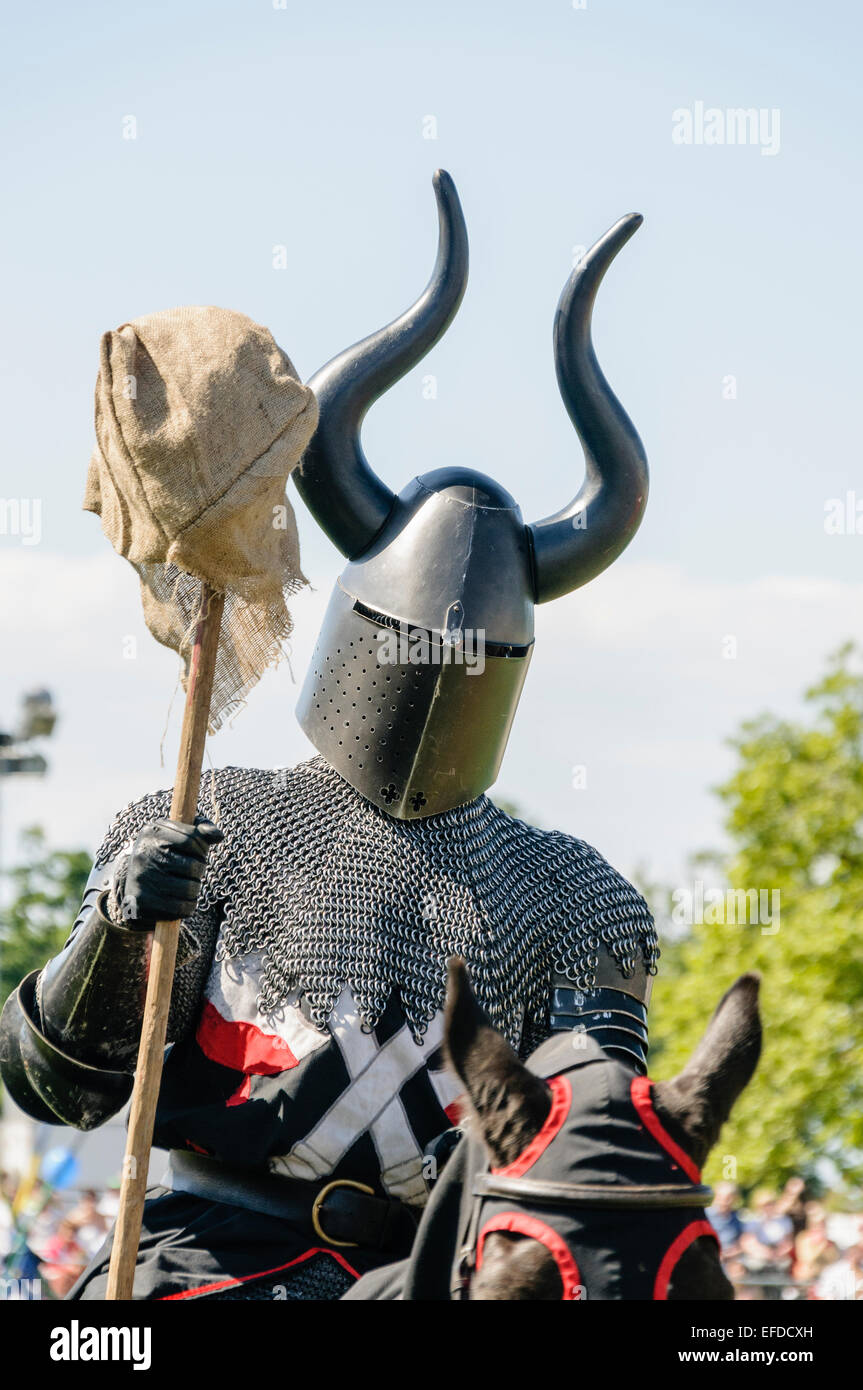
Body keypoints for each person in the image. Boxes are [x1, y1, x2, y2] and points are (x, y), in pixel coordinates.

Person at [0, 175, 657, 1300]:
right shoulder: (213, 825)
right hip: (203, 1264)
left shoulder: (572, 895)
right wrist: (119, 926)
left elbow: (591, 1144)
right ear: (363, 628)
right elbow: (58, 1088)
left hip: (430, 1275)